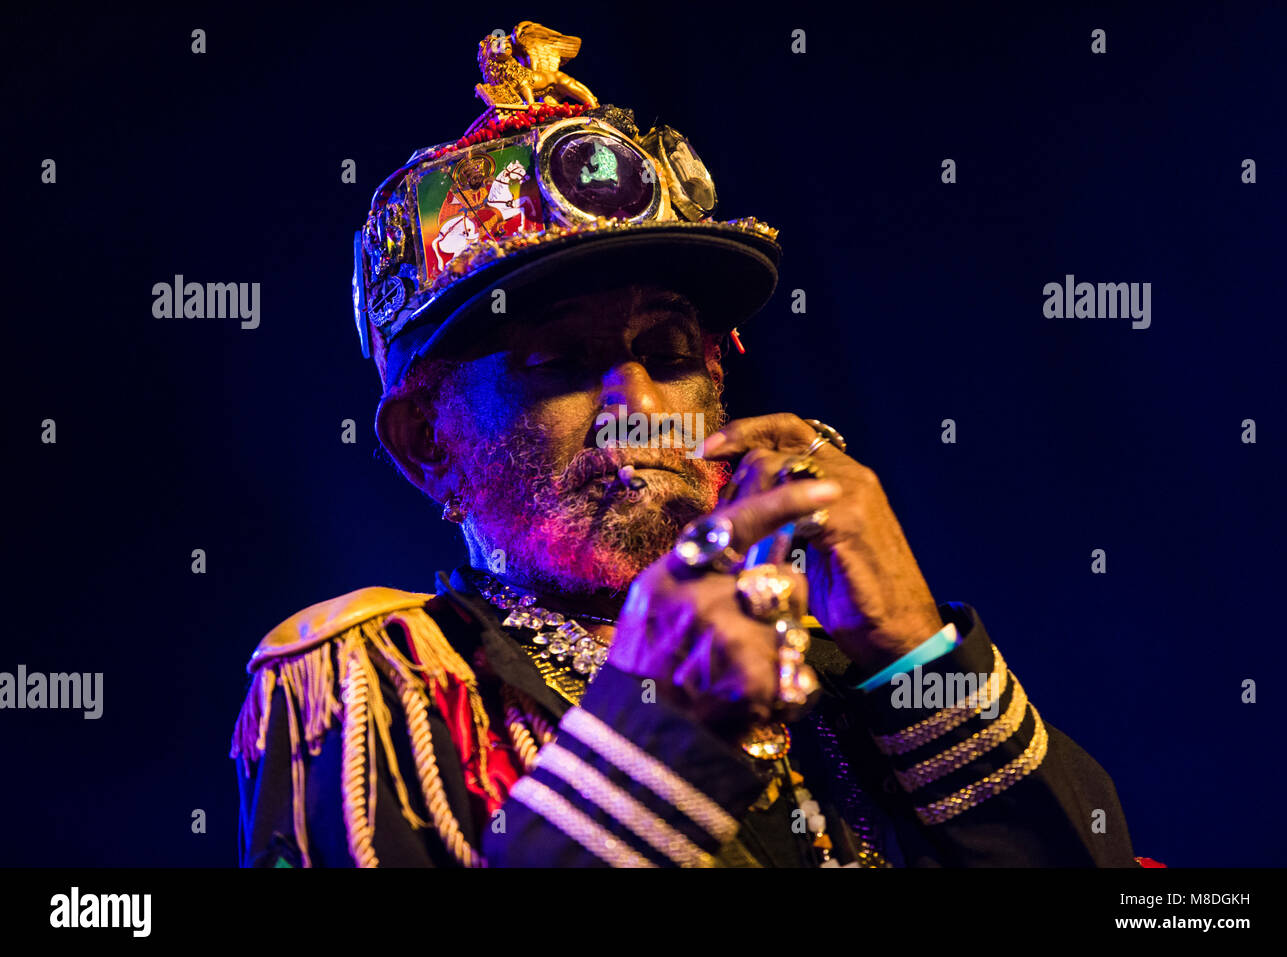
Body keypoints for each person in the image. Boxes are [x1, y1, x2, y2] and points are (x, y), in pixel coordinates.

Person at [231, 21, 1153, 868]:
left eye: (668, 353)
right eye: (557, 361)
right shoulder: (381, 692)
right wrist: (664, 731)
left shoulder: (842, 685)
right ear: (426, 439)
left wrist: (917, 654)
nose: (636, 405)